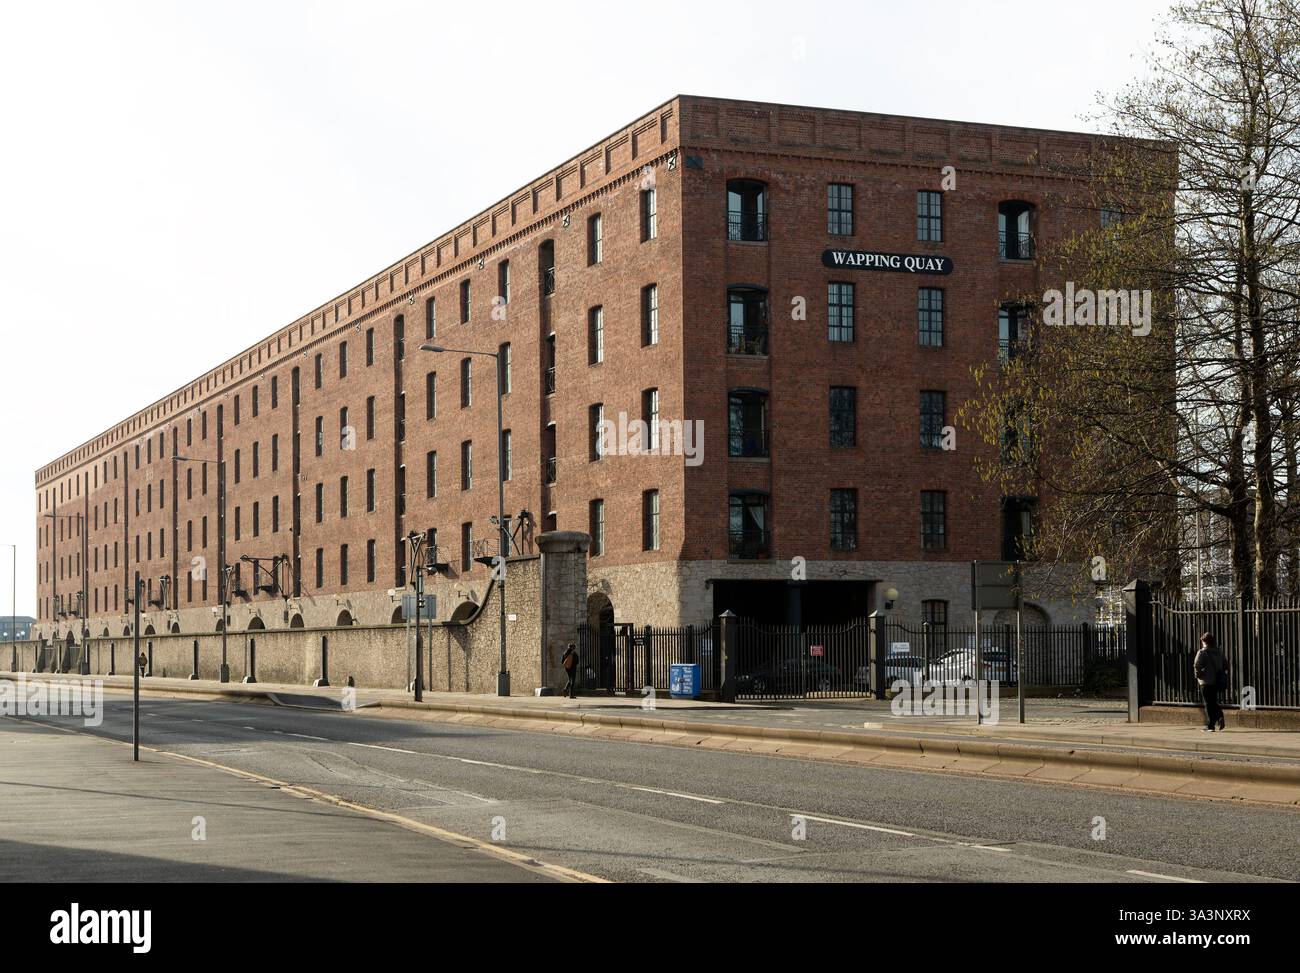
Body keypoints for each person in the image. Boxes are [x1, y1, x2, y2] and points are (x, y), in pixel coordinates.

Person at [1193, 632, 1225, 732]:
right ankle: (1220, 717)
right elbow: (1225, 664)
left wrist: (1198, 675)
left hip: (1206, 681)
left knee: (1208, 703)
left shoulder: (1202, 652)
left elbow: (1196, 666)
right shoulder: (1219, 652)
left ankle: (1211, 725)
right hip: (1216, 680)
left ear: (1204, 642)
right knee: (1213, 701)